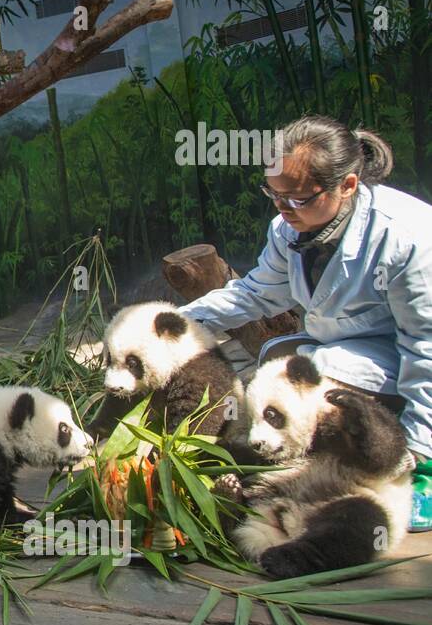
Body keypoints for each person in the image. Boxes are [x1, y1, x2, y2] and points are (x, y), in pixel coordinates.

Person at [178, 115, 432, 530]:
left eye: (296, 198)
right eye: (273, 194)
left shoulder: (406, 238)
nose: (282, 209)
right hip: (351, 349)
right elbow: (255, 293)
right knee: (279, 357)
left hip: (407, 365)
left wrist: (417, 450)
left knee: (319, 382)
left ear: (347, 186)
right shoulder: (288, 227)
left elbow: (426, 346)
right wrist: (177, 323)